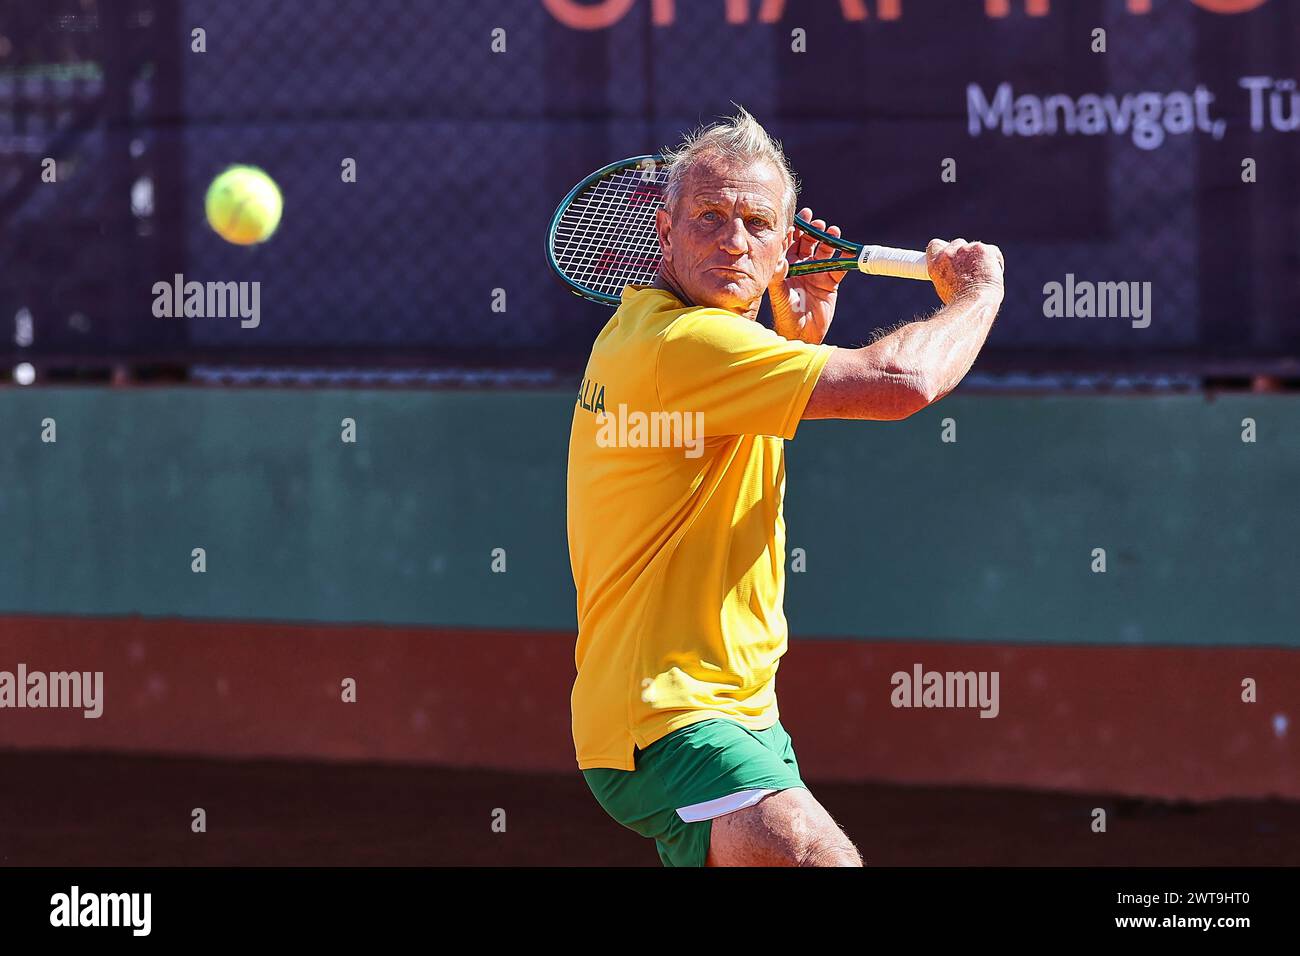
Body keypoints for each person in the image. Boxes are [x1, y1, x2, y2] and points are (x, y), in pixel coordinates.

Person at [567, 107, 1004, 866]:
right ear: (663, 235)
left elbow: (718, 438)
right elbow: (899, 382)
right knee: (817, 858)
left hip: (735, 712)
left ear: (782, 246)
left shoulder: (662, 332)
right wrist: (978, 296)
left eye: (756, 224)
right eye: (708, 217)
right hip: (668, 719)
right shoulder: (684, 345)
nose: (733, 240)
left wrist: (794, 334)